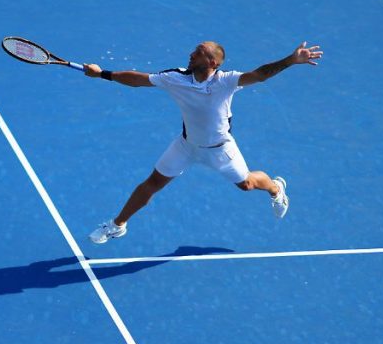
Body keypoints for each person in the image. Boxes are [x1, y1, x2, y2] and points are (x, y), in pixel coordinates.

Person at [84, 41, 322, 244]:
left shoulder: (227, 81)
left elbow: (260, 75)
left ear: (213, 63)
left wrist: (290, 61)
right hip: (186, 146)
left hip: (220, 150)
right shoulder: (175, 77)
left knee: (247, 184)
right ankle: (118, 224)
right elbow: (138, 80)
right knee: (153, 182)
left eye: (199, 52)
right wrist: (103, 73)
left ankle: (276, 188)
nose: (191, 54)